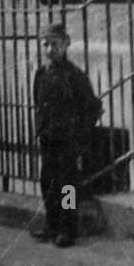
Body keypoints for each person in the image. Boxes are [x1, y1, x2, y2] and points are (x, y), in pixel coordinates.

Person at [32, 23, 103, 247]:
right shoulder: (41, 73)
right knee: (48, 183)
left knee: (68, 187)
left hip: (67, 141)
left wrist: (79, 137)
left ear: (65, 45)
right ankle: (51, 225)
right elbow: (38, 102)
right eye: (46, 44)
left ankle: (68, 229)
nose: (50, 49)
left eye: (55, 44)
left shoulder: (75, 76)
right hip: (48, 138)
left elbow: (93, 108)